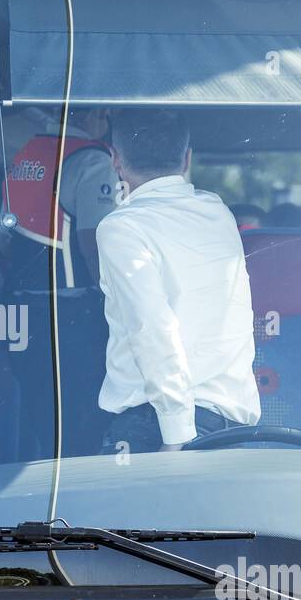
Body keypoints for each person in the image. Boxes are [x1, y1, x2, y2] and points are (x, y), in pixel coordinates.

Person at [96, 109, 261, 453]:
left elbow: (151, 327)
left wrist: (177, 434)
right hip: (230, 425)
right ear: (187, 159)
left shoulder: (121, 227)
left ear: (115, 160)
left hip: (162, 427)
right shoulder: (218, 213)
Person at [0, 109, 119, 291]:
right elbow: (94, 246)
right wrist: (112, 297)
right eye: (106, 115)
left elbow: (4, 239)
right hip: (72, 300)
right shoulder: (94, 161)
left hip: (19, 293)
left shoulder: (25, 153)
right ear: (90, 115)